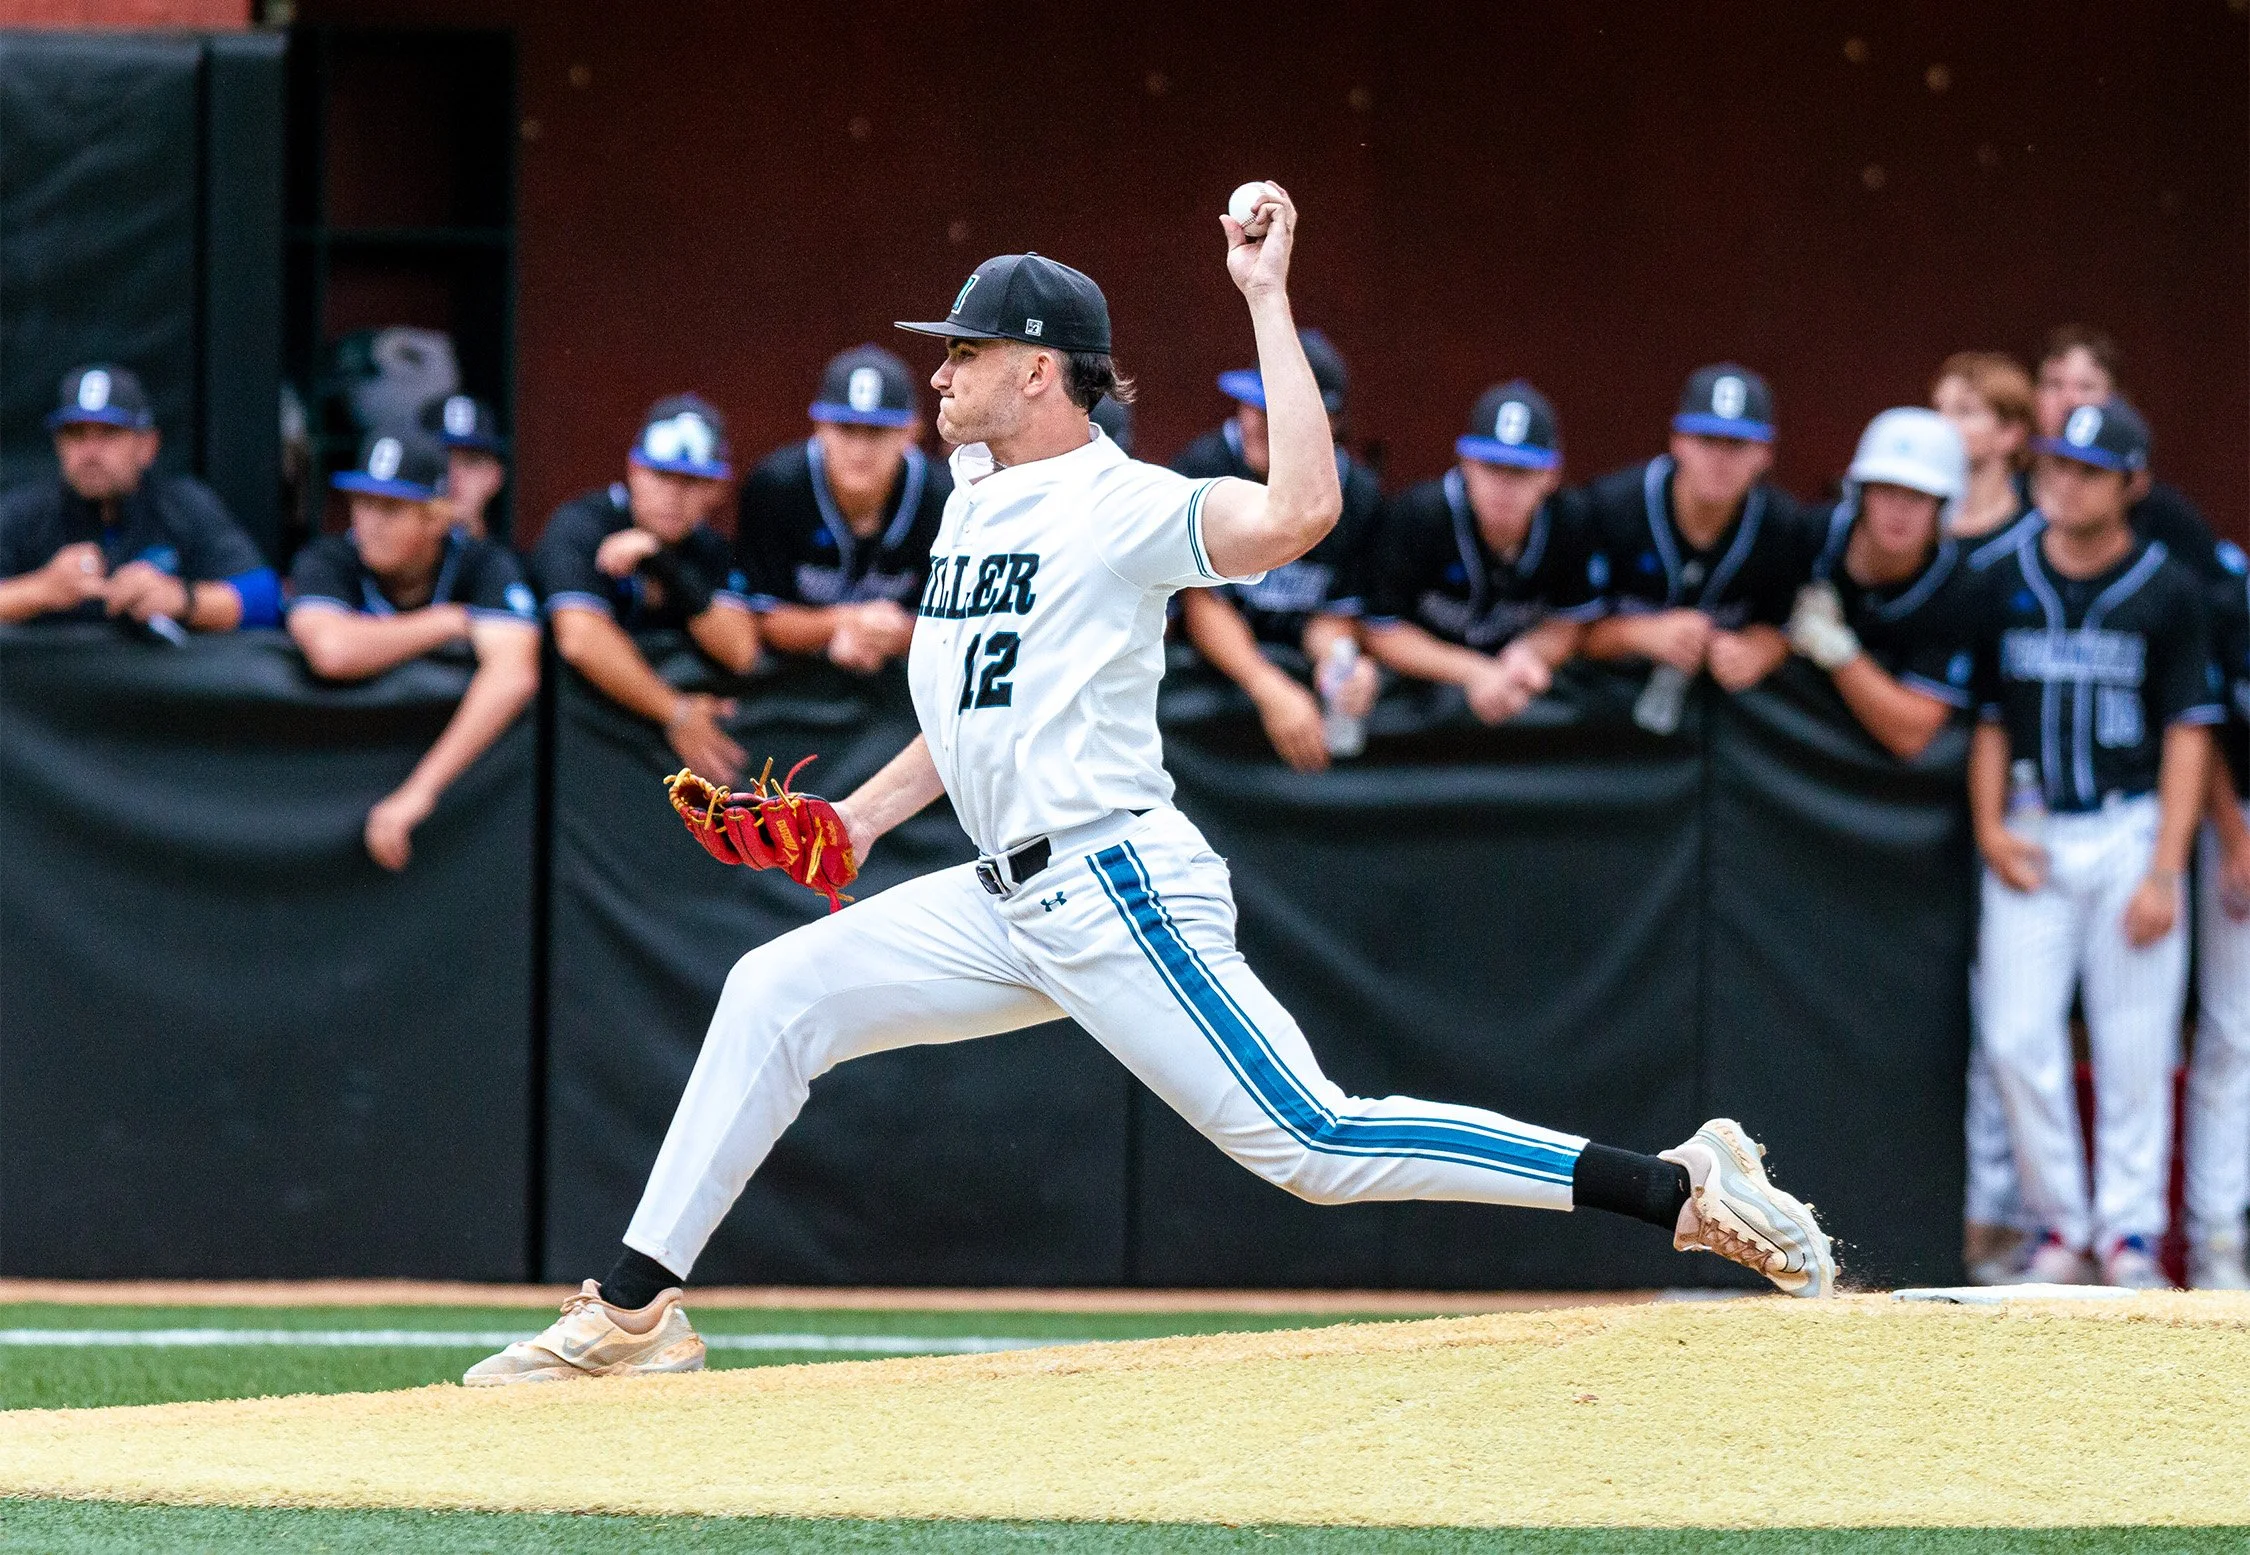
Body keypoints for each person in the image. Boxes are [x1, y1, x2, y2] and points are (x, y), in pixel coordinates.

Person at [466, 195, 1833, 1385]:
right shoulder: (974, 496)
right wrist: (860, 818)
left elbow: (1299, 510)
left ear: (1043, 373)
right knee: (775, 989)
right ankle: (635, 1308)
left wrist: (1263, 296)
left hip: (1112, 880)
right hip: (1003, 892)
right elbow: (969, 710)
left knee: (1309, 1139)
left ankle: (1674, 1185)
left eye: (967, 349)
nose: (938, 369)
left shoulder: (1124, 502)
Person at [1968, 398, 2221, 1289]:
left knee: (2135, 1043)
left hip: (2129, 825)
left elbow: (2191, 730)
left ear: (2131, 483)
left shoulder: (2168, 586)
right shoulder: (2002, 575)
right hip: (2034, 829)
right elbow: (1990, 719)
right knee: (2012, 1035)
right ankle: (2061, 1226)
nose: (2063, 482)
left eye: (2085, 470)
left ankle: (2131, 1235)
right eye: (2054, 465)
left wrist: (2165, 868)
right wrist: (1991, 826)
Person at [288, 433, 540, 871]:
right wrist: (446, 622)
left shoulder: (482, 564)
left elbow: (515, 673)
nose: (370, 522)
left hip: (461, 827)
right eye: (362, 503)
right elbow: (332, 652)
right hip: (318, 796)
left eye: (391, 508)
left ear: (437, 518)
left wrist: (421, 790)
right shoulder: (330, 558)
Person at [1931, 353, 2043, 1282]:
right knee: (1960, 1010)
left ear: (2011, 432)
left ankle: (2016, 1216)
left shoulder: (2038, 539)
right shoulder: (1921, 527)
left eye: (1969, 410)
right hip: (1925, 804)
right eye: (1941, 408)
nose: (1950, 424)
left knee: (2016, 1017)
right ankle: (1972, 1212)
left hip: (2031, 803)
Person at [1170, 327, 1381, 772]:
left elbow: (1332, 612)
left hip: (1288, 664)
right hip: (1210, 690)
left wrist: (1339, 662)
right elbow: (1198, 602)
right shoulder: (1205, 467)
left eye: (1272, 411)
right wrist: (1269, 686)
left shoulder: (1356, 494)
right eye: (1250, 403)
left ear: (1327, 422)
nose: (1254, 420)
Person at [531, 395, 760, 784]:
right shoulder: (581, 524)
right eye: (661, 475)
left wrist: (665, 565)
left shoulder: (708, 548)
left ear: (716, 489)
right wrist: (677, 712)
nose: (674, 494)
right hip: (566, 752)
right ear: (634, 469)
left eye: (692, 481)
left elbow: (740, 651)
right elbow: (580, 640)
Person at [1362, 382, 1605, 724]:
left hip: (1517, 684)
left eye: (1521, 471)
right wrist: (1475, 671)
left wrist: (1530, 652)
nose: (1503, 486)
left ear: (1551, 475)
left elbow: (1571, 622)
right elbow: (1381, 630)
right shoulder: (1419, 515)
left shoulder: (1570, 521)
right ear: (1466, 462)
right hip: (1421, 691)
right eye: (1491, 465)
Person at [1579, 365, 1821, 698]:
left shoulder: (1784, 526)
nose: (1720, 459)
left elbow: (1780, 627)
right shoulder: (1611, 506)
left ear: (1765, 455)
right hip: (1601, 714)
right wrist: (1636, 634)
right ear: (1676, 441)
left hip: (1721, 725)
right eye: (1706, 439)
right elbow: (1567, 629)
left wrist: (1757, 650)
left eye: (1737, 444)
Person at [0, 365, 280, 632]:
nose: (90, 452)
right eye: (76, 434)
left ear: (147, 446)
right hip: (52, 679)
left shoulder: (182, 504)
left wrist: (183, 599)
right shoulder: (26, 512)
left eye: (109, 433)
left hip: (161, 679)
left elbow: (266, 598)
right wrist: (40, 590)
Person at [735, 346, 949, 673]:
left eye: (877, 431)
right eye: (845, 428)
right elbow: (760, 618)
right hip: (795, 682)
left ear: (911, 432)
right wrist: (846, 622)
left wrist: (899, 635)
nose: (859, 449)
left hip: (906, 685)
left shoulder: (944, 497)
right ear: (819, 426)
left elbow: (961, 627)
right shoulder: (775, 485)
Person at [1786, 408, 1979, 762]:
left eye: (1918, 495)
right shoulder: (1806, 536)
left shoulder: (1959, 590)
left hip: (1882, 794)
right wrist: (1774, 638)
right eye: (1886, 489)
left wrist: (1838, 650)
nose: (1899, 510)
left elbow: (1912, 734)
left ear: (1943, 507)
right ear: (1860, 494)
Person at [2032, 326, 2228, 581]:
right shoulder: (2009, 492)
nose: (2070, 400)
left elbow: (2219, 599)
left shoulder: (2163, 514)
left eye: (2086, 387)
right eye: (2053, 385)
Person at [2184, 548, 2250, 1289]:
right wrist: (2231, 831)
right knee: (2234, 1031)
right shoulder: (2230, 600)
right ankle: (2218, 1239)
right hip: (2239, 825)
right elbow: (2196, 721)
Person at [1932, 353, 2036, 551]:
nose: (1942, 423)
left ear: (2010, 433)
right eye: (1938, 409)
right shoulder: (1916, 520)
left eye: (1964, 411)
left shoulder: (2036, 534)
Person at [420, 393, 508, 541]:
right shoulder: (374, 561)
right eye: (439, 461)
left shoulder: (509, 563)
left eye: (470, 462)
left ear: (495, 476)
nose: (453, 475)